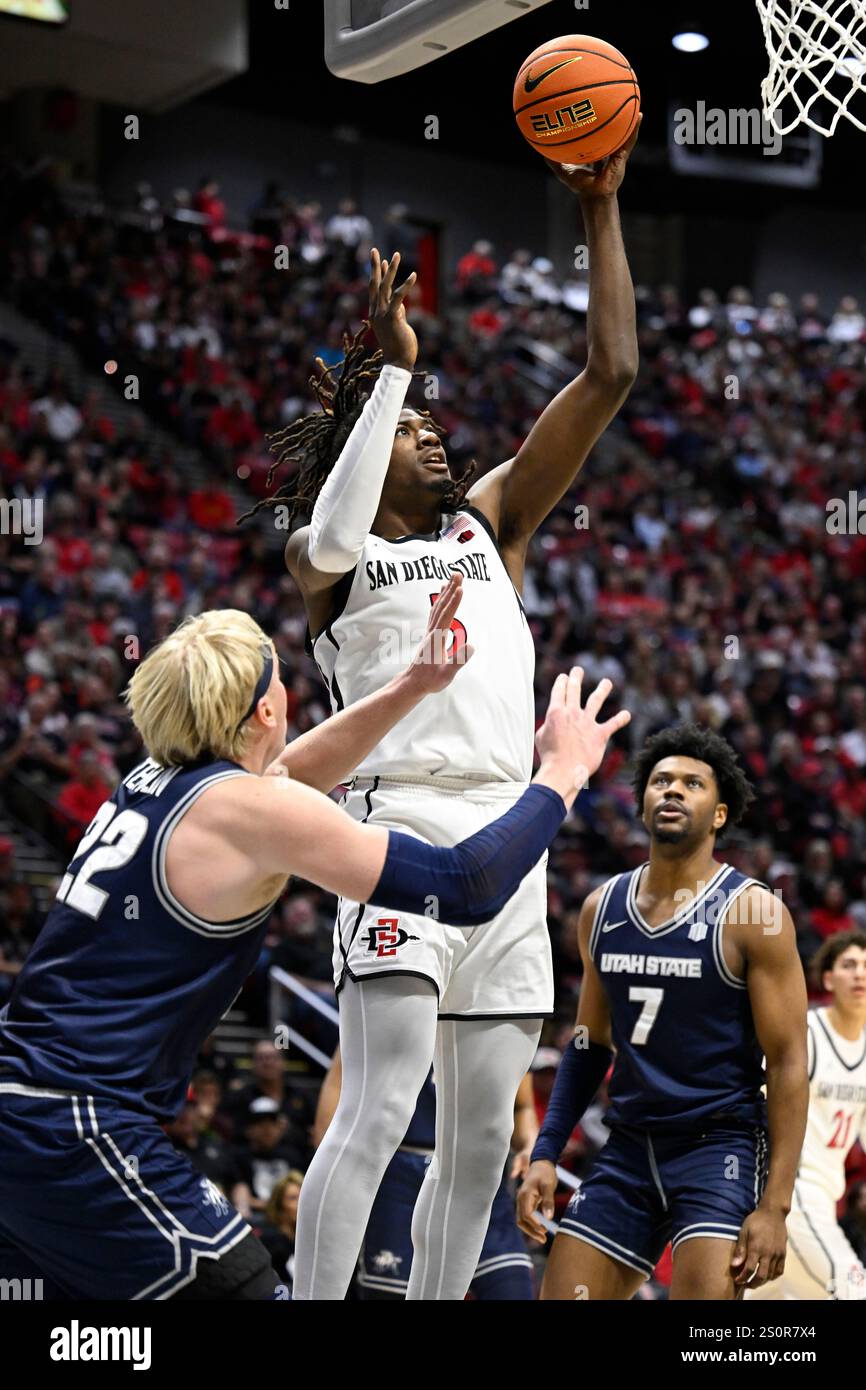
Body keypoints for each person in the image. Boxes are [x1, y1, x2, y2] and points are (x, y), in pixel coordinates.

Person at [245, 124, 640, 1303]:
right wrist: (391, 372)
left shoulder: (492, 524)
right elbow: (320, 529)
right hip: (396, 831)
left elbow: (608, 375)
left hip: (508, 840)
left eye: (429, 425)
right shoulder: (335, 556)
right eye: (413, 428)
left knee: (478, 1145)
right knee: (372, 1110)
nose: (434, 435)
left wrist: (599, 208)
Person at [0, 595, 625, 1300]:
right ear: (267, 709)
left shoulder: (152, 786)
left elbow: (291, 777)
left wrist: (412, 686)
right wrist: (561, 775)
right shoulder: (245, 810)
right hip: (73, 1126)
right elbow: (463, 885)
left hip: (25, 1112)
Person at [518, 723, 809, 1300]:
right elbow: (588, 1043)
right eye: (660, 781)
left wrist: (775, 1206)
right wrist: (546, 1151)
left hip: (718, 1146)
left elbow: (788, 1062)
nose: (672, 791)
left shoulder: (754, 914)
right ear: (643, 801)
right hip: (628, 1143)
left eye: (692, 784)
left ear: (720, 814)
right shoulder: (602, 907)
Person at [313, 1048, 537, 1300]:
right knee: (389, 1292)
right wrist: (336, 1179)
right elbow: (337, 1088)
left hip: (477, 1170)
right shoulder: (384, 1011)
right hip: (399, 1171)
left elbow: (522, 1106)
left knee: (512, 1288)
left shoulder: (500, 1015)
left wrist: (531, 1146)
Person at [747, 930, 866, 1301]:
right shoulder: (807, 1033)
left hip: (825, 1201)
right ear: (828, 979)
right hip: (789, 1191)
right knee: (852, 1289)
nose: (860, 975)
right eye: (849, 965)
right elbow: (758, 1099)